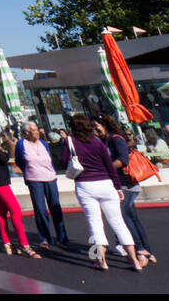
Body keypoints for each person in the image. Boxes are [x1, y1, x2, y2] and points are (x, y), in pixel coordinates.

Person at [67, 115, 142, 272]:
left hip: (85, 184)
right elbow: (109, 165)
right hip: (106, 183)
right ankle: (134, 260)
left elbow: (62, 161)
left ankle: (102, 261)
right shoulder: (97, 142)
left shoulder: (70, 141)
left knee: (95, 222)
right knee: (118, 222)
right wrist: (117, 187)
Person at [95, 116, 155, 266]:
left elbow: (123, 160)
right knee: (132, 216)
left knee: (123, 216)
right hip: (118, 183)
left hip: (127, 183)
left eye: (96, 126)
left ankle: (140, 250)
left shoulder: (116, 139)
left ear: (105, 125)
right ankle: (147, 250)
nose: (94, 129)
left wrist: (104, 168)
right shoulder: (103, 141)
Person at [0, 122, 39, 257]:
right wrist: (1, 151)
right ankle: (24, 244)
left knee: (1, 211)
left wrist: (0, 151)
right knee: (15, 209)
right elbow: (4, 157)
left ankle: (7, 242)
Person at [14, 121, 69, 248]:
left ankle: (62, 238)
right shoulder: (21, 144)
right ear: (26, 133)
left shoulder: (43, 143)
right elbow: (19, 160)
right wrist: (28, 171)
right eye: (33, 130)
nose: (37, 131)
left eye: (37, 129)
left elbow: (49, 159)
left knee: (55, 207)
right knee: (40, 209)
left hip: (50, 178)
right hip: (34, 179)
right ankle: (45, 238)